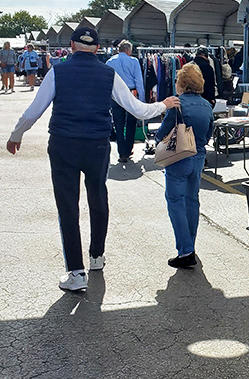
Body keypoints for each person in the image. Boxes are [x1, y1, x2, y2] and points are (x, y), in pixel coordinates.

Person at [5, 26, 179, 292]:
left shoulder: (57, 72)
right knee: (97, 197)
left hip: (64, 144)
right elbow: (137, 110)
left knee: (68, 205)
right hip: (97, 145)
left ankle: (76, 272)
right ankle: (96, 256)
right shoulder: (109, 74)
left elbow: (34, 111)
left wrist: (17, 134)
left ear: (72, 45)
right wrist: (163, 105)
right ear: (97, 48)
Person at [155, 63, 214, 268]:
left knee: (175, 202)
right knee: (191, 202)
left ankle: (185, 250)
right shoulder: (207, 105)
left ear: (181, 83)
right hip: (198, 157)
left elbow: (162, 133)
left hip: (178, 157)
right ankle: (191, 246)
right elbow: (208, 134)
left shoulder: (178, 104)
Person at [106, 39, 146, 163]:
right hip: (131, 93)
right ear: (129, 50)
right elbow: (138, 80)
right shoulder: (134, 61)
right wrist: (142, 99)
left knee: (118, 124)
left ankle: (121, 152)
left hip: (116, 94)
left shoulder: (110, 62)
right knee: (131, 123)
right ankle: (128, 149)